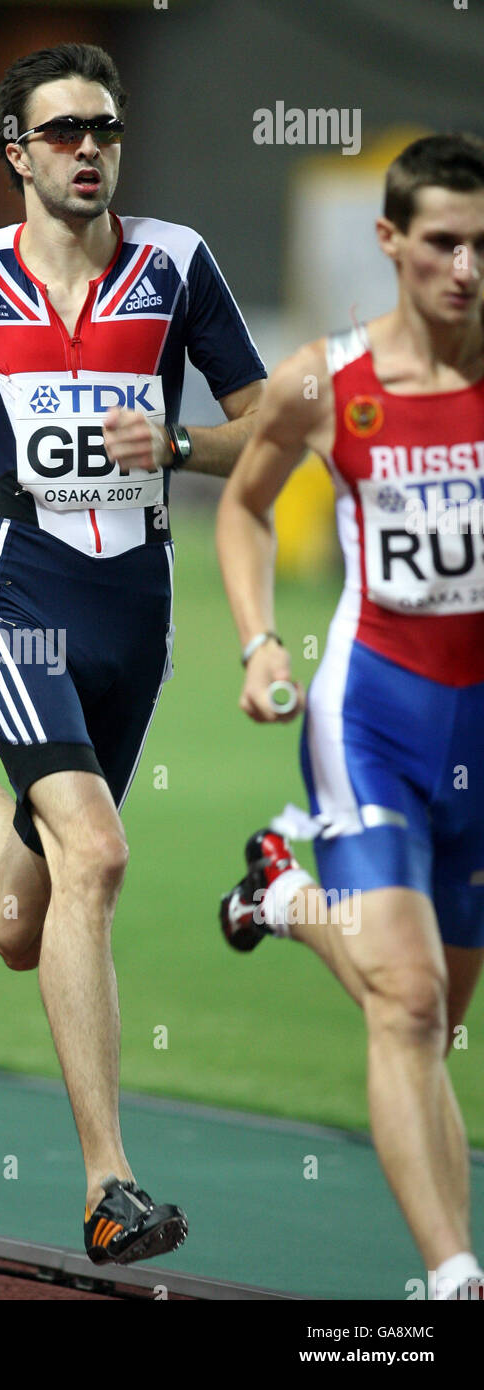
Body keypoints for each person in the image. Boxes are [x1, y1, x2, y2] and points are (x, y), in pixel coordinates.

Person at [0, 42, 266, 1264]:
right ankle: (106, 1183)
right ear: (15, 151)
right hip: (12, 596)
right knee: (99, 850)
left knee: (27, 922)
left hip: (136, 617)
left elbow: (273, 430)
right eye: (64, 130)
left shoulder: (176, 266)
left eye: (105, 129)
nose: (89, 149)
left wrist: (177, 446)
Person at [216, 133, 484, 1300]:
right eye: (440, 242)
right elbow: (241, 506)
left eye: (481, 245)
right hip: (371, 708)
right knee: (410, 998)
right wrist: (259, 636)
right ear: (390, 242)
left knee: (433, 1014)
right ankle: (451, 1275)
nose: (464, 267)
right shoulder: (326, 381)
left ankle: (278, 890)